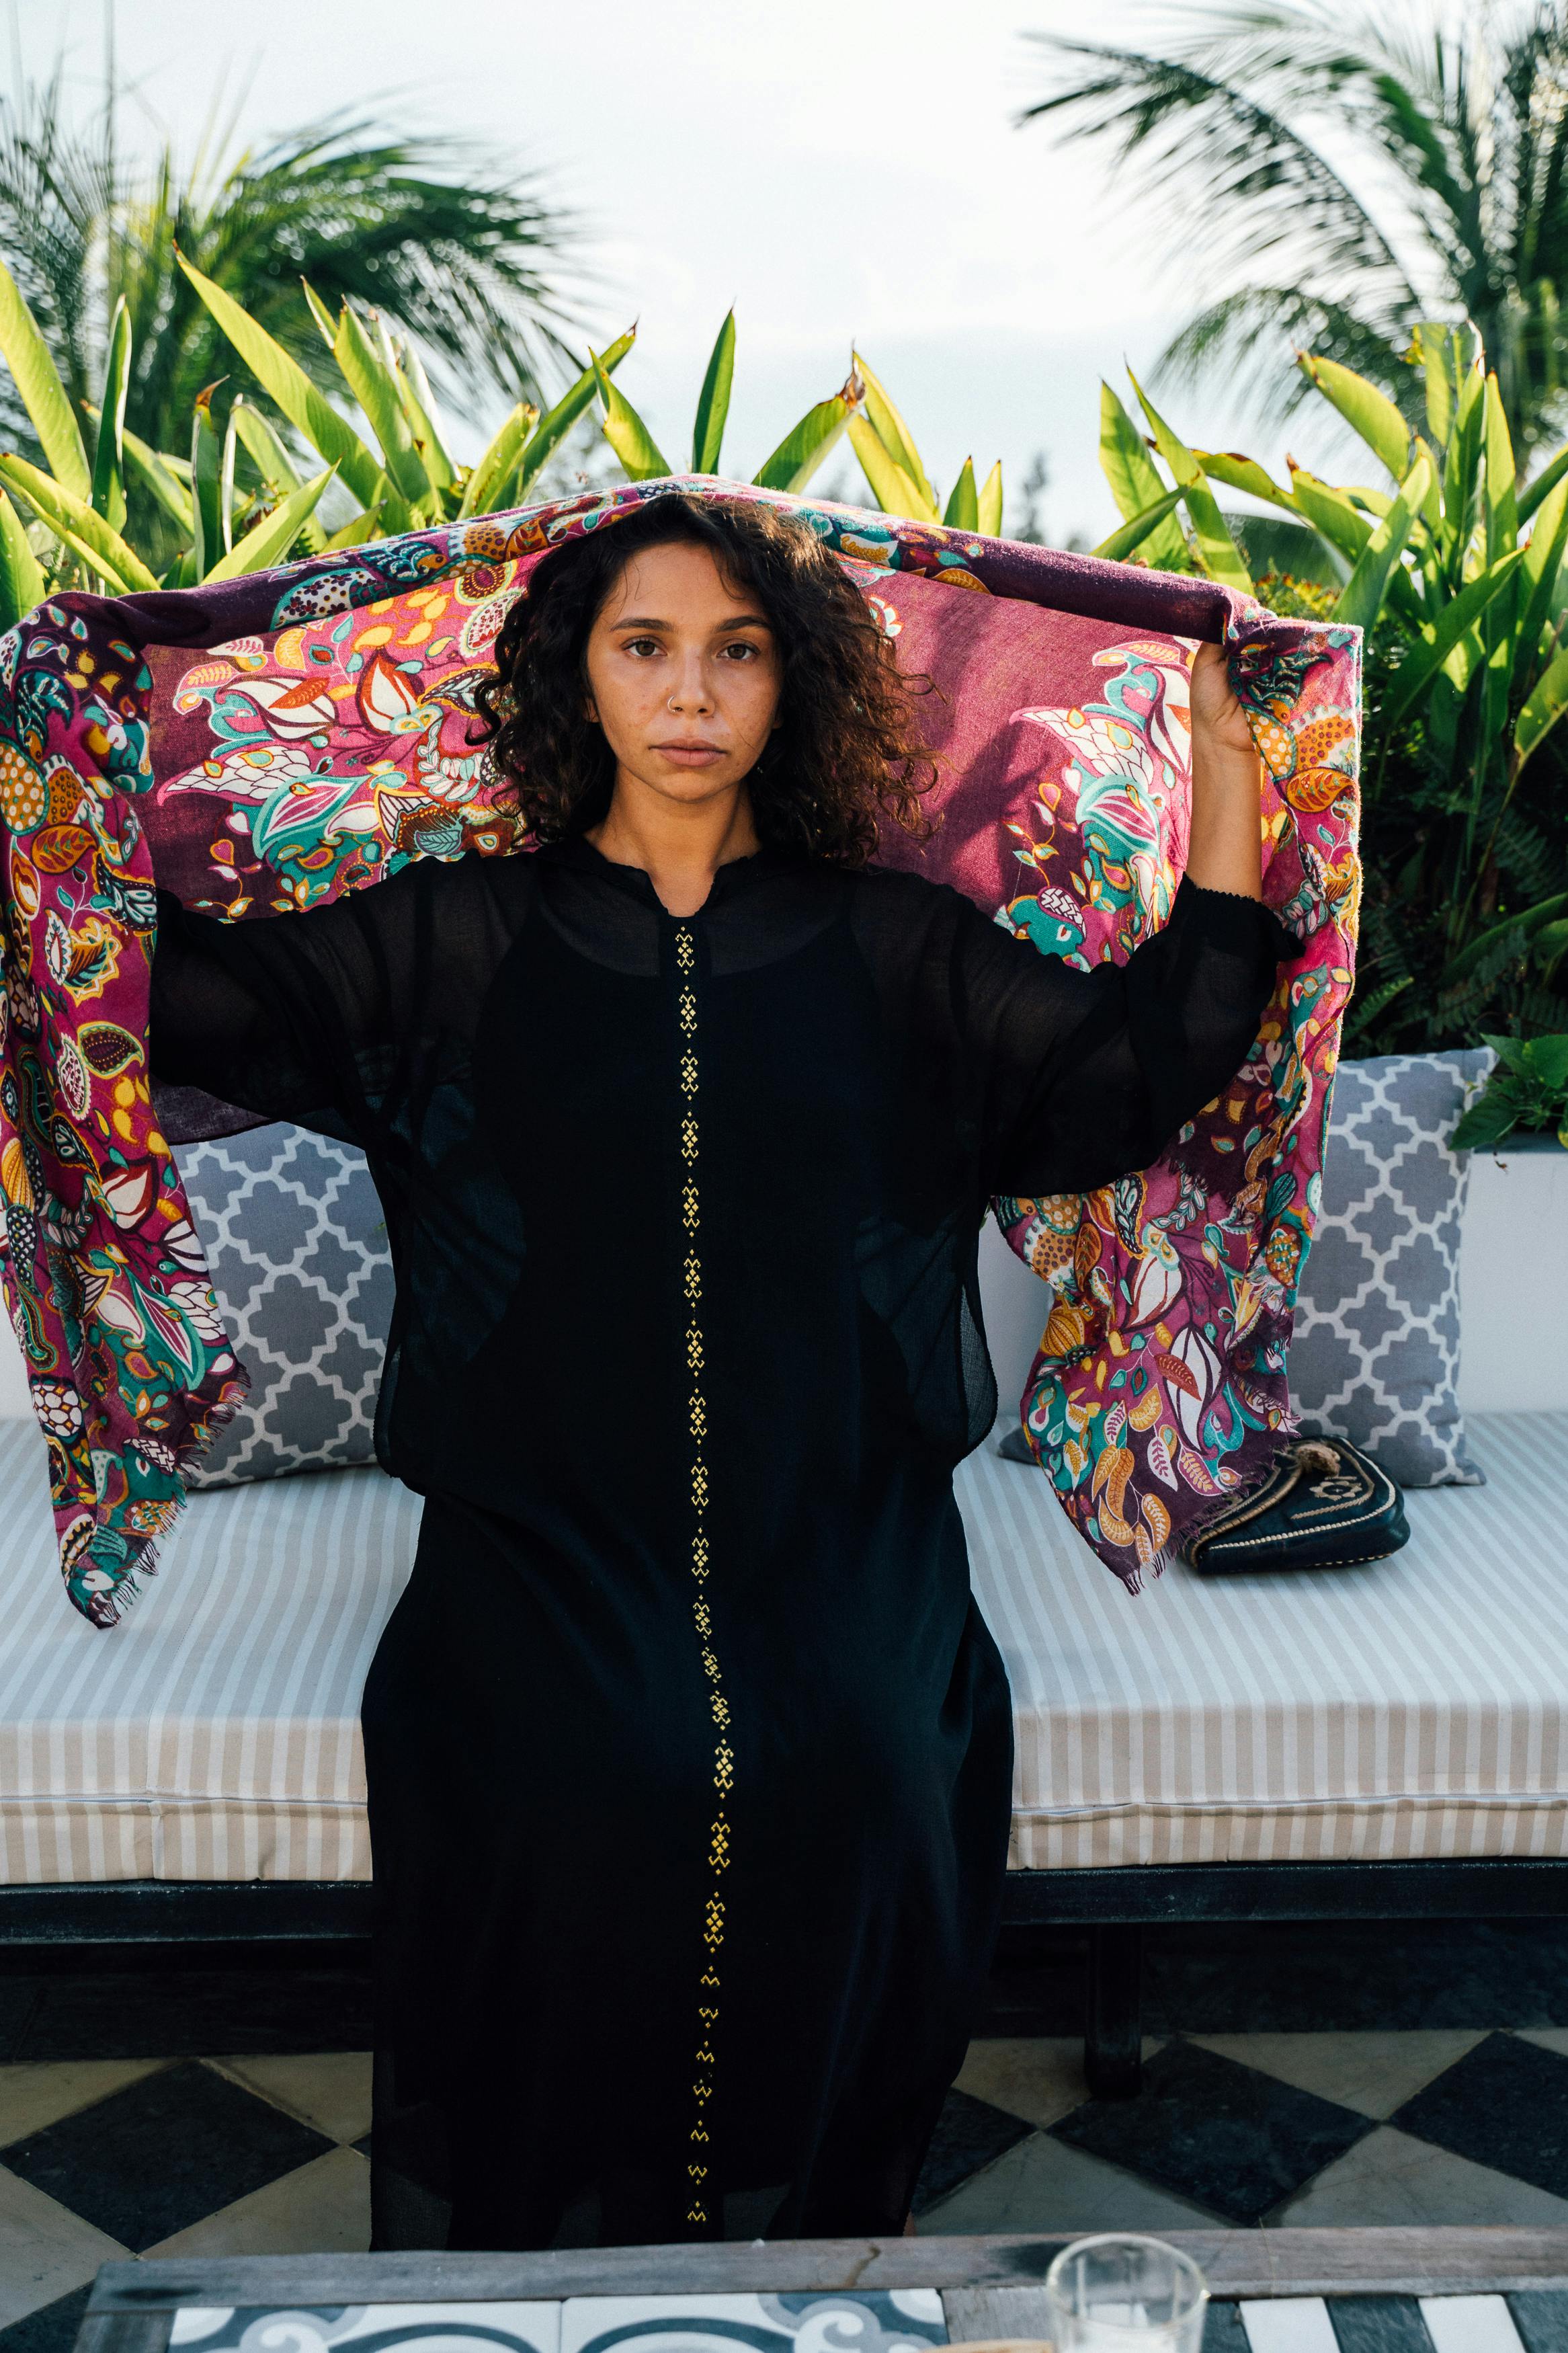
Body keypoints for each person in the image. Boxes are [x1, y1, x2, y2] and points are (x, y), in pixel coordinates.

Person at [149, 491, 1288, 2251]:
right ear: (575, 680)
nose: (693, 690)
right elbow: (171, 999)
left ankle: (799, 2250)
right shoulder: (456, 945)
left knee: (862, 1774)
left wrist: (1224, 772)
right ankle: (554, 2262)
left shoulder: (892, 952)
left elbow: (1133, 1071)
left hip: (839, 1535)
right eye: (646, 644)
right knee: (576, 1780)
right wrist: (52, 777)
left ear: (795, 690)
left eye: (739, 650)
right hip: (541, 1540)